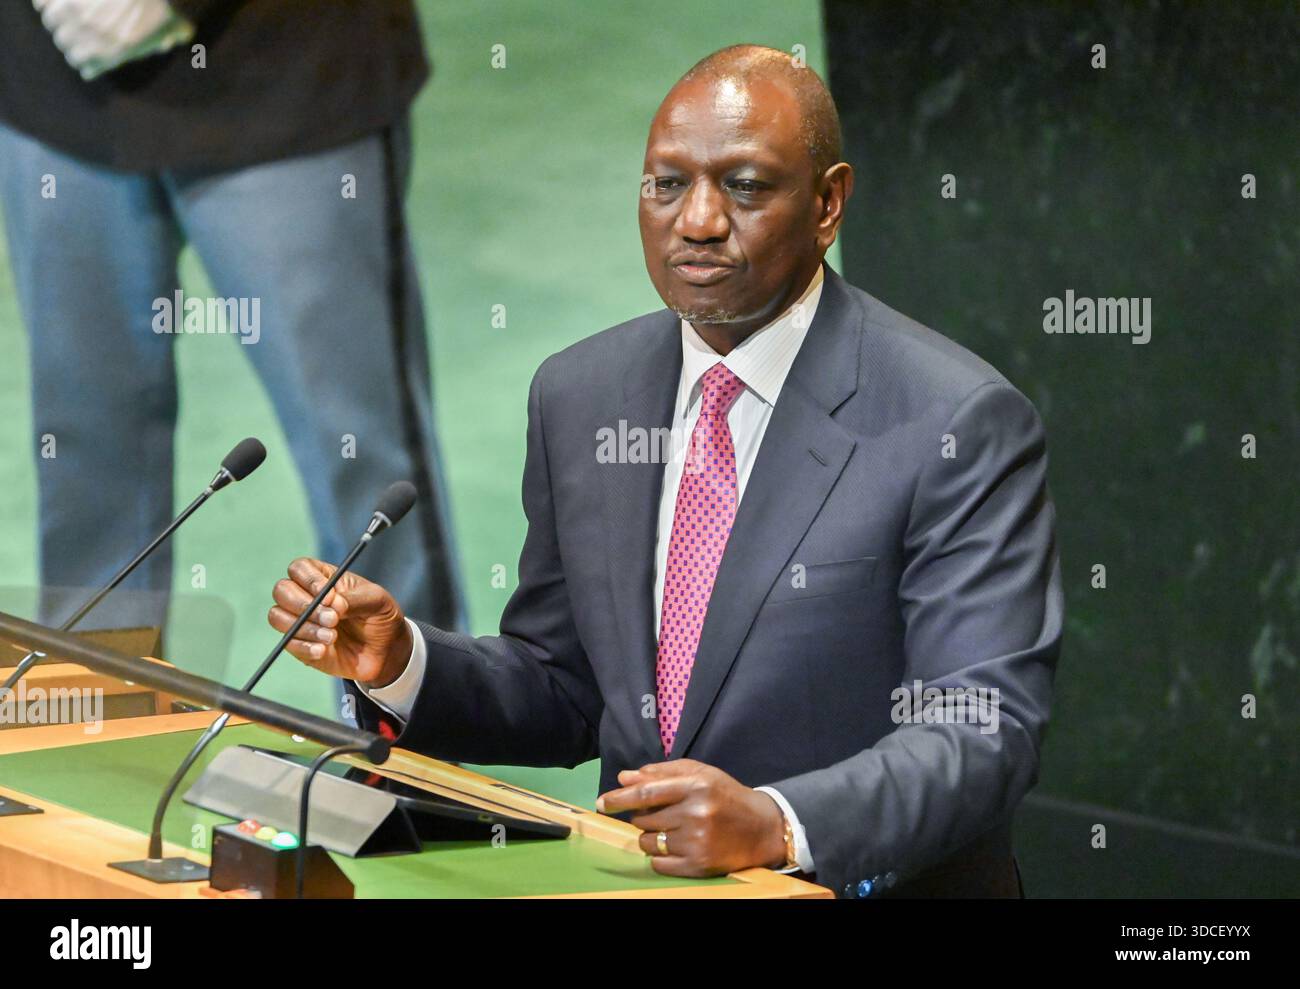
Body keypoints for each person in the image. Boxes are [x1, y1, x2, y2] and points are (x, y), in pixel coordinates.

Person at [267, 45, 1063, 898]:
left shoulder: (954, 419)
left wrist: (780, 821)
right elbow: (571, 685)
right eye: (667, 184)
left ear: (829, 203)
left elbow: (981, 729)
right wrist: (404, 663)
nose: (698, 220)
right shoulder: (581, 394)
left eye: (746, 186)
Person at [0, 0, 464, 645]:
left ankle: (391, 730)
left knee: (355, 455)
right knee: (84, 445)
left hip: (283, 75)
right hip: (50, 83)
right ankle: (97, 725)